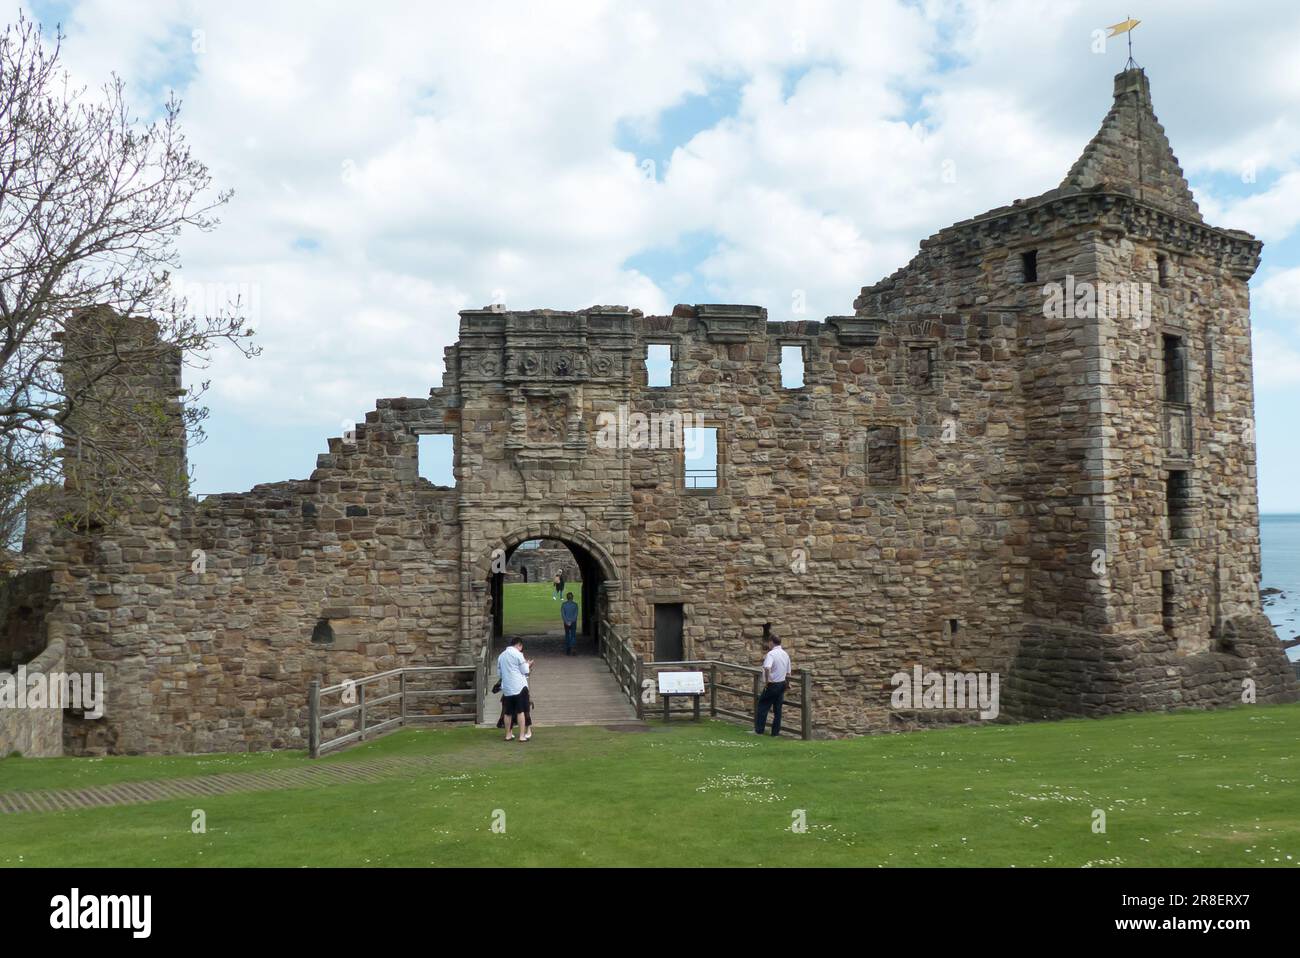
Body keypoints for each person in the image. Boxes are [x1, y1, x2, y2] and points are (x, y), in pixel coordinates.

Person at [754, 626, 791, 737]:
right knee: (777, 709)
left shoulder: (771, 654)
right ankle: (775, 733)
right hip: (782, 684)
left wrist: (767, 681)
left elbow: (767, 667)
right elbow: (788, 672)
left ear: (771, 642)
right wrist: (788, 684)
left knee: (762, 706)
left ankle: (759, 730)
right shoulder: (785, 654)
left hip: (773, 684)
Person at [497, 638, 534, 742]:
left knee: (507, 712)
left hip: (507, 687)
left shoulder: (501, 655)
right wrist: (528, 664)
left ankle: (508, 734)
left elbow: (499, 673)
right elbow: (525, 670)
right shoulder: (518, 654)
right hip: (519, 686)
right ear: (519, 645)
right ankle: (522, 736)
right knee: (520, 711)